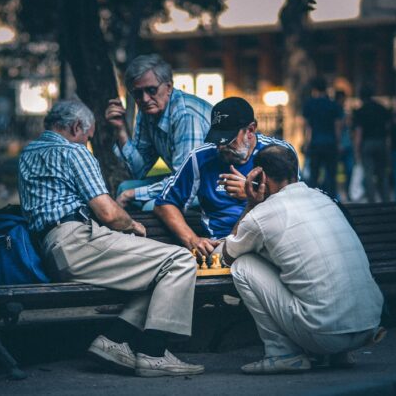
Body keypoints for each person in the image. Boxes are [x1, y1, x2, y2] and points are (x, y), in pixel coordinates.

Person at [18, 99, 204, 378]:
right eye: (87, 137)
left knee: (157, 275)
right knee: (179, 260)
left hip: (52, 250)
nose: (87, 144)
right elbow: (108, 212)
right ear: (77, 126)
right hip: (77, 241)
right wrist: (132, 226)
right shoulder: (73, 153)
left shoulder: (28, 153)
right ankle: (154, 354)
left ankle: (114, 341)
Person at [221, 144, 385, 374]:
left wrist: (251, 204)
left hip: (324, 334)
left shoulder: (262, 213)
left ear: (261, 176)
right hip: (369, 326)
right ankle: (338, 355)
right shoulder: (324, 198)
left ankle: (283, 354)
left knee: (243, 265)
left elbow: (227, 256)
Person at [154, 97, 297, 258]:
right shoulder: (200, 158)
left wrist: (252, 193)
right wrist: (192, 239)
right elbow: (164, 204)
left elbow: (296, 203)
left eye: (228, 140)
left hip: (271, 239)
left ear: (250, 130)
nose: (221, 146)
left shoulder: (278, 153)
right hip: (223, 246)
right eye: (217, 139)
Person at [106, 54, 212, 210]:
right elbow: (140, 172)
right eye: (137, 93)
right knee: (124, 187)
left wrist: (132, 194)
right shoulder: (147, 111)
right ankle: (128, 235)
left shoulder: (185, 115)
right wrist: (121, 130)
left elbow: (184, 180)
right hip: (188, 182)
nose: (145, 99)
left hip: (212, 187)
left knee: (150, 206)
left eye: (151, 90)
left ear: (168, 87)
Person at [302, 77, 343, 196]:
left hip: (315, 144)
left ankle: (314, 200)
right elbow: (338, 126)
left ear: (314, 89)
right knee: (331, 175)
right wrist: (338, 143)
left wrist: (306, 143)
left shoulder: (309, 104)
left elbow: (307, 127)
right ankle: (331, 200)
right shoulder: (333, 105)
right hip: (331, 144)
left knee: (314, 175)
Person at [352, 85, 391, 203]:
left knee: (368, 173)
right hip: (381, 142)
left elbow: (359, 132)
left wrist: (357, 150)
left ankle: (372, 200)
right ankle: (385, 199)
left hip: (367, 143)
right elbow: (388, 128)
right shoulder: (381, 108)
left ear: (361, 97)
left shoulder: (360, 111)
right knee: (382, 173)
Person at [335, 90, 355, 200]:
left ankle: (347, 192)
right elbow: (338, 128)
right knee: (335, 172)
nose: (343, 102)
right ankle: (337, 194)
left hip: (347, 145)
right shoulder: (335, 112)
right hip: (339, 145)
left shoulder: (345, 112)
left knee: (349, 170)